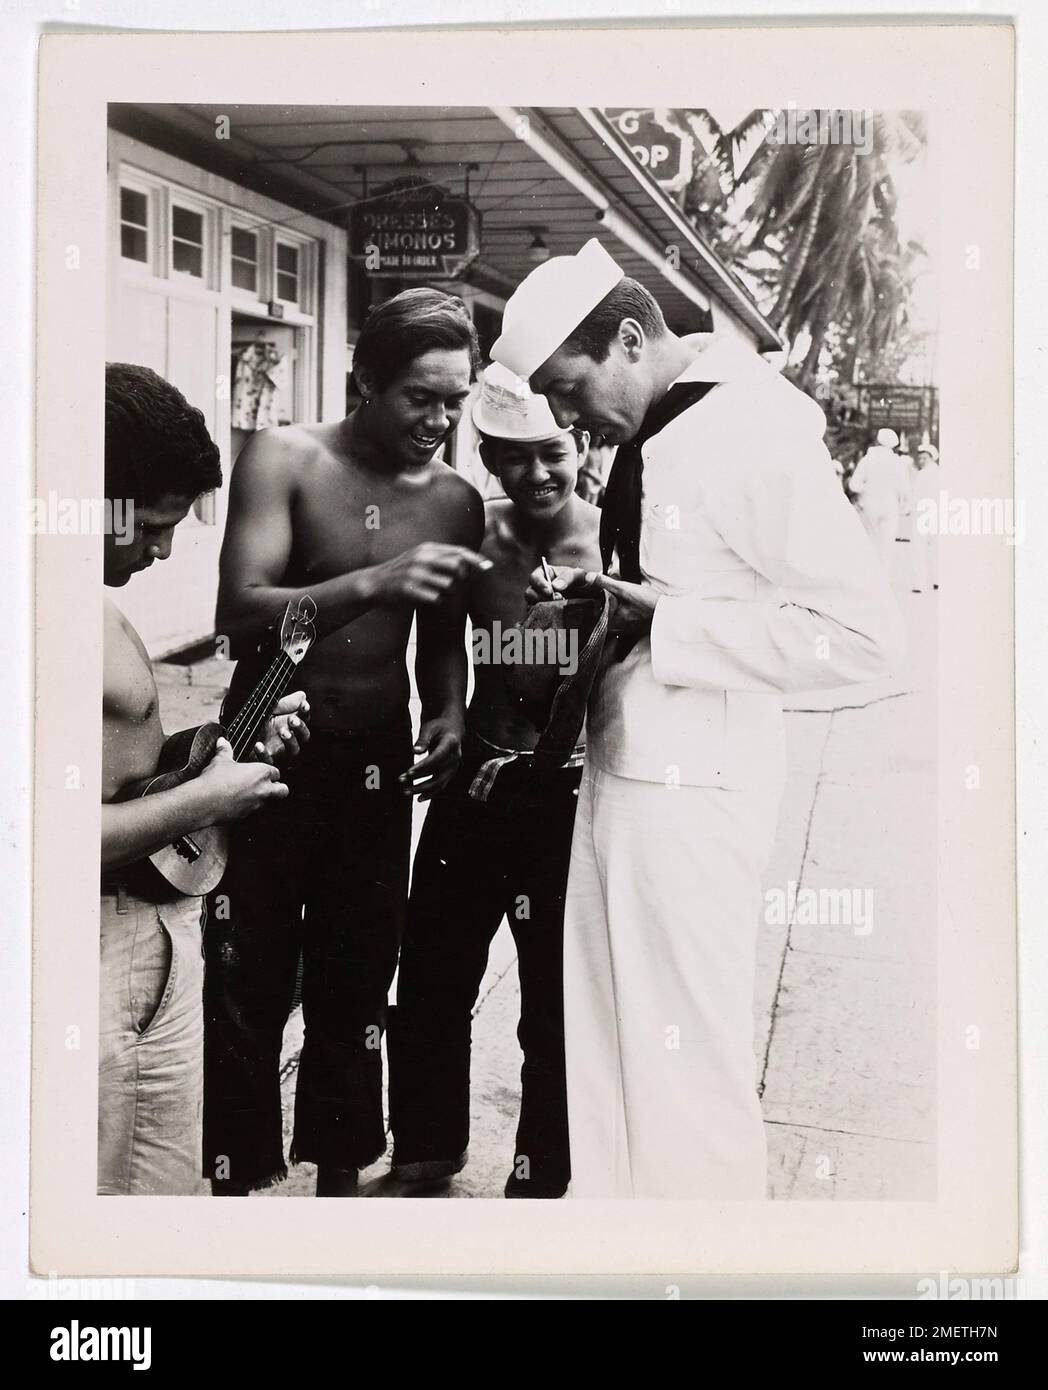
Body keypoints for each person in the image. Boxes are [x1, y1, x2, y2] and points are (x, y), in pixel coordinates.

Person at [491, 238, 903, 1198]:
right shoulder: (663, 431)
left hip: (694, 798)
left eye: (565, 387)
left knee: (684, 1077)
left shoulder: (750, 428)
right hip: (621, 780)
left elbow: (863, 638)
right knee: (610, 1061)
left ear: (630, 338)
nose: (562, 419)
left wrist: (668, 623)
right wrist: (602, 611)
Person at [204, 288, 489, 1197]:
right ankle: (235, 1177)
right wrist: (378, 578)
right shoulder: (285, 456)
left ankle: (337, 1171)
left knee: (356, 973)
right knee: (247, 973)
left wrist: (445, 713)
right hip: (267, 741)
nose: (440, 420)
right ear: (366, 380)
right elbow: (238, 609)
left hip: (376, 751)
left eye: (457, 399)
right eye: (421, 397)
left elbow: (442, 639)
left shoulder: (455, 499)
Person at [387, 364, 601, 1198]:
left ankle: (540, 1173)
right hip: (474, 778)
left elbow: (607, 675)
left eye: (550, 452)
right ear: (487, 459)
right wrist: (441, 711)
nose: (535, 474)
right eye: (511, 457)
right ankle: (426, 1150)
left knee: (553, 998)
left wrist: (577, 625)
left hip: (566, 792)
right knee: (432, 972)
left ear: (578, 444)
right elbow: (440, 636)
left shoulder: (619, 543)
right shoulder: (477, 534)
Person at [101, 363, 309, 1196]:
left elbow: (118, 773)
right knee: (92, 1194)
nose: (163, 548)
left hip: (155, 932)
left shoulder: (101, 607)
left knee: (165, 1189)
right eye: (151, 525)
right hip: (89, 948)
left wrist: (217, 745)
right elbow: (39, 832)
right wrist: (208, 799)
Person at [848, 427, 913, 570]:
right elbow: (906, 489)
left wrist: (865, 490)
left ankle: (869, 575)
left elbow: (854, 485)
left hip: (869, 504)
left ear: (877, 441)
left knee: (870, 541)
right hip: (890, 506)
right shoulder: (898, 463)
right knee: (886, 545)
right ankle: (883, 578)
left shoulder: (867, 460)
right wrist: (904, 507)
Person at [909, 443, 940, 593]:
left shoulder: (922, 475)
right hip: (937, 512)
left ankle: (919, 583)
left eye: (925, 458)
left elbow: (914, 495)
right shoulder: (940, 472)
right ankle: (937, 579)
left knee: (919, 547)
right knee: (935, 546)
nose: (921, 461)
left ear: (932, 458)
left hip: (923, 512)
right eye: (920, 458)